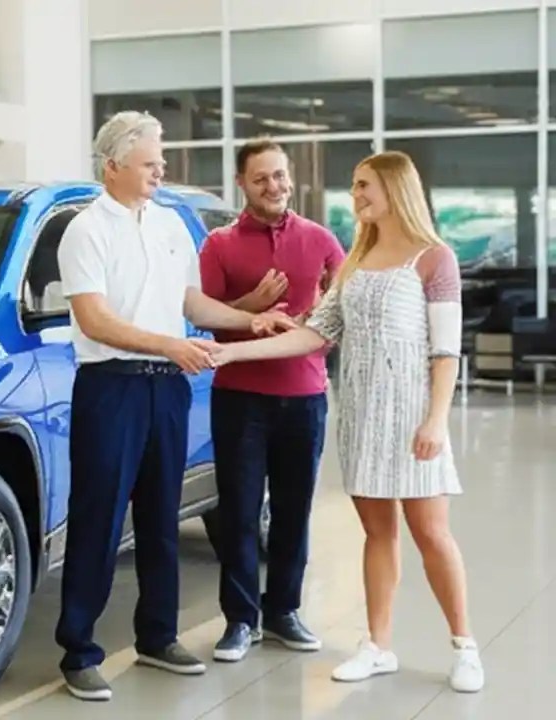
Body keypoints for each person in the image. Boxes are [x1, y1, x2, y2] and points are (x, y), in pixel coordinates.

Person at [209, 151, 484, 693]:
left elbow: (446, 352)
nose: (354, 196)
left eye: (363, 187)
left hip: (412, 421)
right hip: (361, 417)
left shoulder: (435, 258)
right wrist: (231, 354)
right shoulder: (358, 259)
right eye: (355, 186)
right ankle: (378, 645)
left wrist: (435, 421)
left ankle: (465, 645)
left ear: (394, 190)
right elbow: (316, 332)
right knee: (376, 534)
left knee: (431, 534)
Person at [54, 111, 296, 702]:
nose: (161, 169)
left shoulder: (168, 224)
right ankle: (79, 650)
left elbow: (191, 301)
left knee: (163, 514)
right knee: (100, 518)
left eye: (161, 160)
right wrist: (173, 345)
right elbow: (94, 319)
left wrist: (249, 320)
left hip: (168, 387)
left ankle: (158, 636)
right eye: (150, 162)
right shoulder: (85, 231)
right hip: (112, 388)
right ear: (113, 167)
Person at [198, 139, 346, 663]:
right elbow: (203, 318)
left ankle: (283, 611)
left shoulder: (322, 240)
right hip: (240, 399)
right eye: (262, 178)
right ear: (242, 183)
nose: (275, 186)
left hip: (305, 398)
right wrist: (249, 306)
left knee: (292, 510)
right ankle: (241, 621)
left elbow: (341, 307)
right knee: (237, 512)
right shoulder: (219, 244)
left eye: (280, 176)